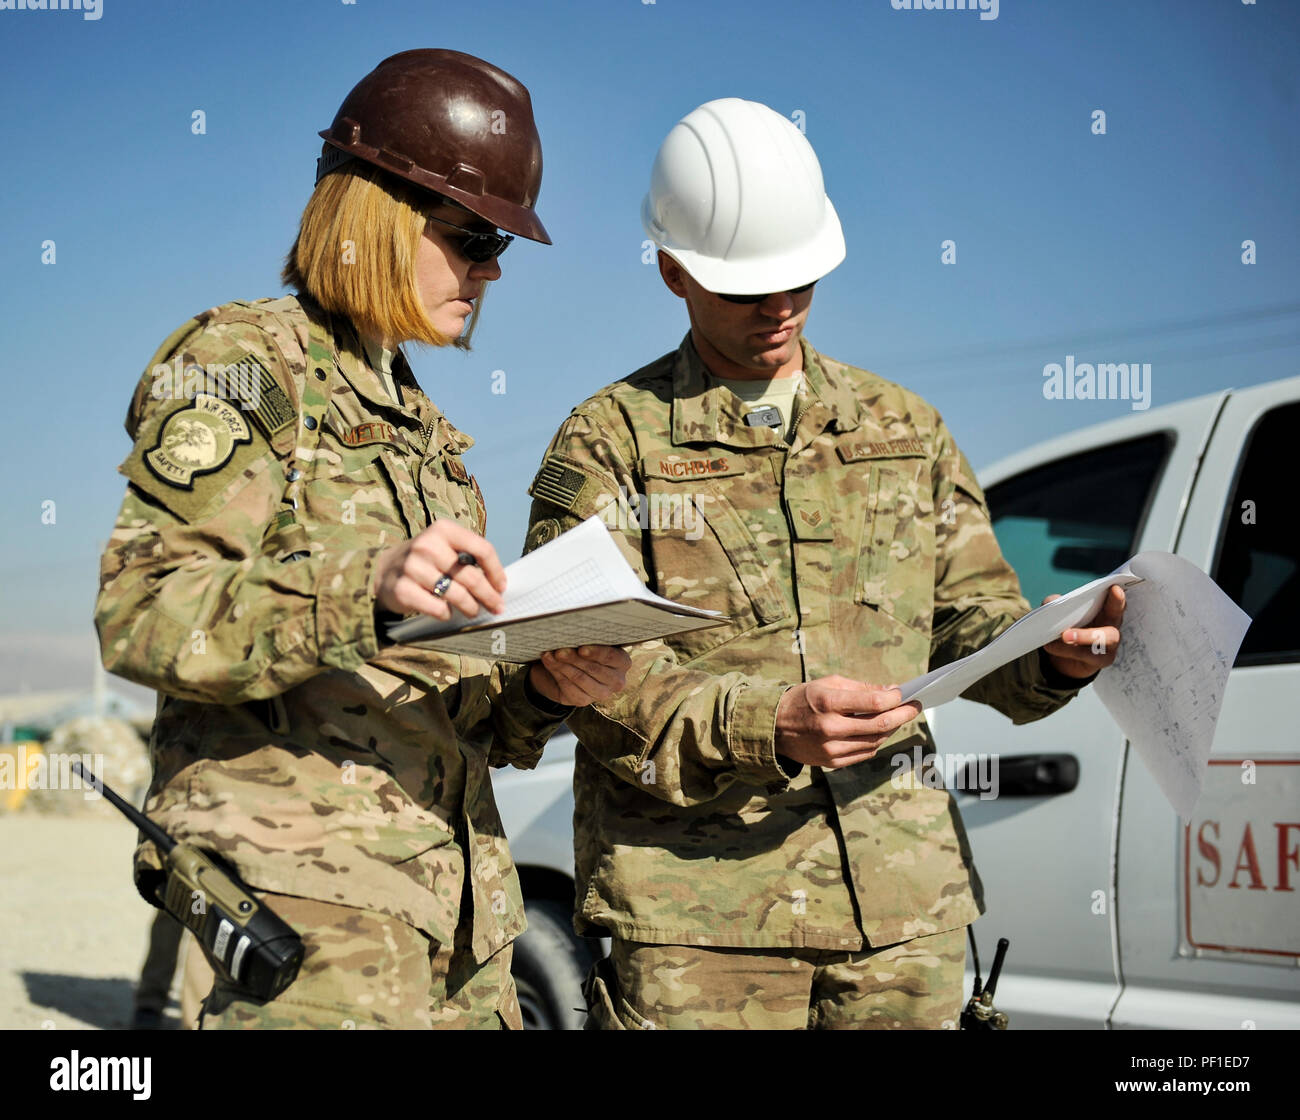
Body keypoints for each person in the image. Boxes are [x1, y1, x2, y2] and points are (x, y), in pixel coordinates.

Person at [524, 98, 1125, 1030]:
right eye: (747, 288)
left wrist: (1050, 654)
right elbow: (582, 675)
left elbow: (968, 621)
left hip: (902, 912)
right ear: (673, 272)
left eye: (800, 279)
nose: (780, 308)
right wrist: (767, 724)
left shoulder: (905, 428)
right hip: (701, 926)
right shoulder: (610, 442)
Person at [95, 48, 629, 1031]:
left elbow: (448, 713)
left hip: (458, 928)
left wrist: (542, 687)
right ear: (377, 215)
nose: (493, 266)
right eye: (471, 236)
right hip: (308, 923)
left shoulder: (434, 444)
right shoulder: (244, 363)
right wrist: (364, 587)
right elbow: (142, 608)